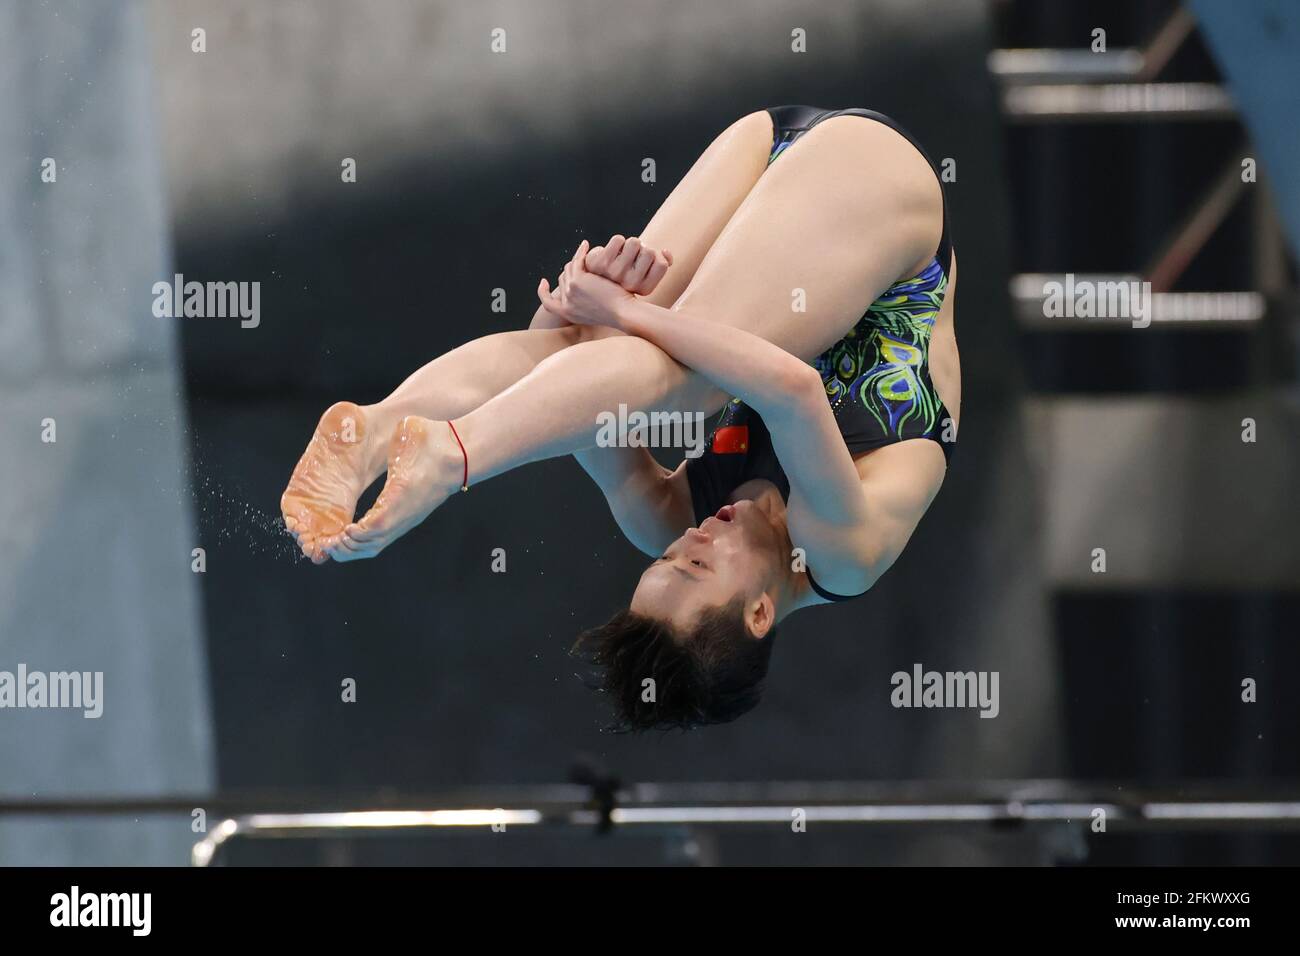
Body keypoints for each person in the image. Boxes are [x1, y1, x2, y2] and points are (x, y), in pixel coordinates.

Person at [281, 105, 959, 730]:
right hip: (878, 181)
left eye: (669, 555)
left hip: (768, 143)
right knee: (677, 380)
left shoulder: (663, 515)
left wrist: (577, 309)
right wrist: (632, 311)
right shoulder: (840, 556)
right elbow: (792, 389)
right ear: (758, 613)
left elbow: (568, 391)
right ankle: (452, 454)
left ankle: (374, 428)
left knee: (591, 352)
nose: (692, 535)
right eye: (696, 566)